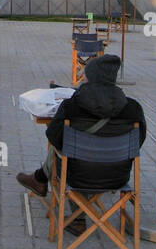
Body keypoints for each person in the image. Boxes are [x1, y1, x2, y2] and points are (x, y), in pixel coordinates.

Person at [15, 54, 147, 234]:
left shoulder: (72, 106)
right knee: (76, 153)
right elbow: (138, 142)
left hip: (77, 175)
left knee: (66, 152)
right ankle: (41, 181)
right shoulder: (133, 108)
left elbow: (53, 137)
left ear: (90, 77)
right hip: (118, 176)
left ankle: (74, 215)